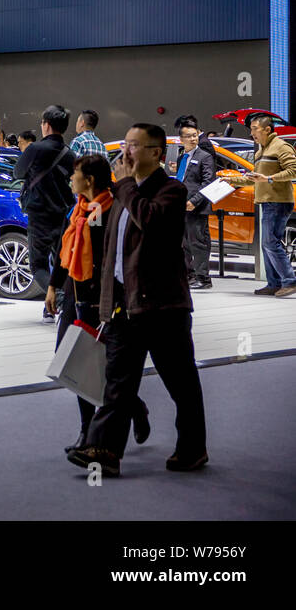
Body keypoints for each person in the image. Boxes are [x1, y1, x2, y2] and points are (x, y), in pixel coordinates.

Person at [70, 123, 207, 477]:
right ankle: (104, 452)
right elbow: (112, 253)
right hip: (124, 305)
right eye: (126, 144)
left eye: (134, 146)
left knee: (181, 383)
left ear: (156, 153)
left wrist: (126, 185)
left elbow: (152, 220)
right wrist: (104, 303)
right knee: (117, 382)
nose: (126, 152)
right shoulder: (121, 194)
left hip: (164, 307)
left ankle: (192, 449)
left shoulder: (171, 191)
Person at [46, 154, 149, 454]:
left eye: (74, 174)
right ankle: (134, 406)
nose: (70, 179)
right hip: (73, 293)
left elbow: (114, 260)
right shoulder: (77, 209)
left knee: (99, 364)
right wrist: (53, 286)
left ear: (89, 181)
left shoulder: (112, 210)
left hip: (99, 298)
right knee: (70, 358)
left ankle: (90, 431)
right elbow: (64, 249)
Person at [13, 105, 76, 319]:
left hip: (39, 215)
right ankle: (55, 306)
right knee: (61, 263)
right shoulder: (70, 153)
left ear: (46, 125)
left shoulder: (35, 149)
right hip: (64, 216)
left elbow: (17, 172)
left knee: (37, 264)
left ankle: (57, 299)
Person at [243, 115, 296, 296]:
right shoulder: (260, 152)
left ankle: (290, 281)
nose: (252, 133)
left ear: (267, 129)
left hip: (279, 202)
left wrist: (270, 178)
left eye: (255, 129)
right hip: (267, 202)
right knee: (267, 244)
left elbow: (293, 170)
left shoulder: (280, 146)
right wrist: (230, 180)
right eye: (251, 129)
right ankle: (274, 283)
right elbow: (256, 179)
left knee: (270, 243)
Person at [176, 122, 216, 290]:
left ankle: (203, 278)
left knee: (198, 242)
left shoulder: (204, 156)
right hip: (181, 206)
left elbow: (208, 182)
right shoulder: (181, 157)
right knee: (183, 243)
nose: (193, 139)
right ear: (181, 139)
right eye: (189, 136)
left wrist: (194, 201)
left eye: (195, 135)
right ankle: (189, 275)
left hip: (196, 207)